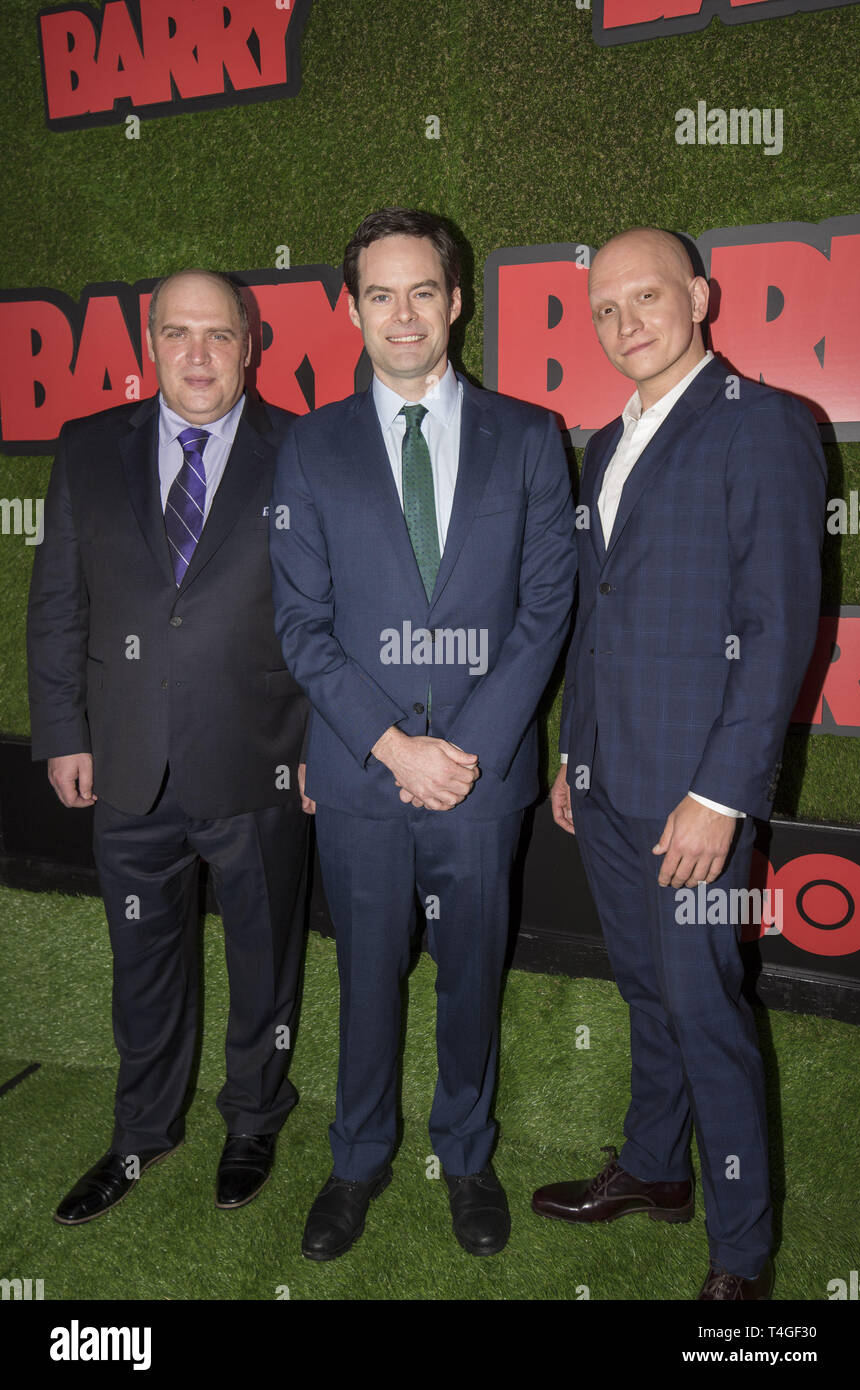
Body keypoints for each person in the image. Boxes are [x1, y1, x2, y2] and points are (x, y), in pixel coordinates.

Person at [270, 208, 577, 1260]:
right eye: (380, 294)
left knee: (470, 975)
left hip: (484, 785)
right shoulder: (308, 446)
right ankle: (356, 1159)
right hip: (362, 779)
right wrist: (392, 747)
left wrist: (470, 750)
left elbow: (546, 611)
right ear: (352, 308)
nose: (404, 315)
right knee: (363, 976)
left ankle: (468, 1151)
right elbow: (301, 626)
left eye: (424, 292)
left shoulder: (531, 437)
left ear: (458, 301)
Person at [531, 227, 827, 1300]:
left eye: (646, 297)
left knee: (705, 1009)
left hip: (696, 791)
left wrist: (720, 795)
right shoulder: (607, 444)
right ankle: (657, 1170)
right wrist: (575, 754)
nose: (625, 324)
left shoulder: (765, 428)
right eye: (605, 309)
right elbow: (593, 618)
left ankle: (743, 1260)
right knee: (649, 994)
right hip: (610, 781)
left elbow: (779, 624)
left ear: (700, 296)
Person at [27, 269, 310, 1223]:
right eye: (178, 333)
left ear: (250, 344)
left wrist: (317, 743)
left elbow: (332, 614)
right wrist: (65, 732)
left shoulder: (302, 451)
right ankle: (142, 1133)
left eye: (218, 335)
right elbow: (58, 604)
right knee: (141, 960)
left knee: (265, 962)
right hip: (127, 766)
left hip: (261, 758)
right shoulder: (86, 449)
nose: (198, 354)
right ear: (149, 344)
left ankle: (255, 1118)